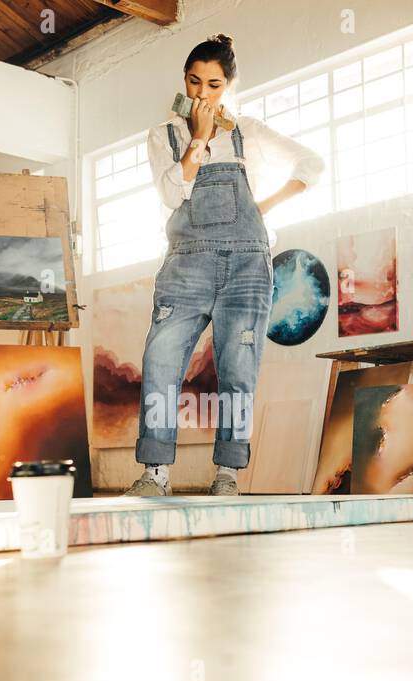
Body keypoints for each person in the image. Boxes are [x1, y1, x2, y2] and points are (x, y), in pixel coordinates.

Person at [123, 33, 325, 497]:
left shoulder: (248, 132)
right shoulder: (165, 135)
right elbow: (173, 194)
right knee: (160, 362)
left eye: (213, 85)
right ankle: (155, 473)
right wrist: (197, 140)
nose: (201, 94)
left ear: (228, 86)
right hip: (185, 266)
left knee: (238, 370)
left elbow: (311, 164)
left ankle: (227, 475)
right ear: (184, 80)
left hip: (247, 267)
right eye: (194, 82)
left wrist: (262, 207)